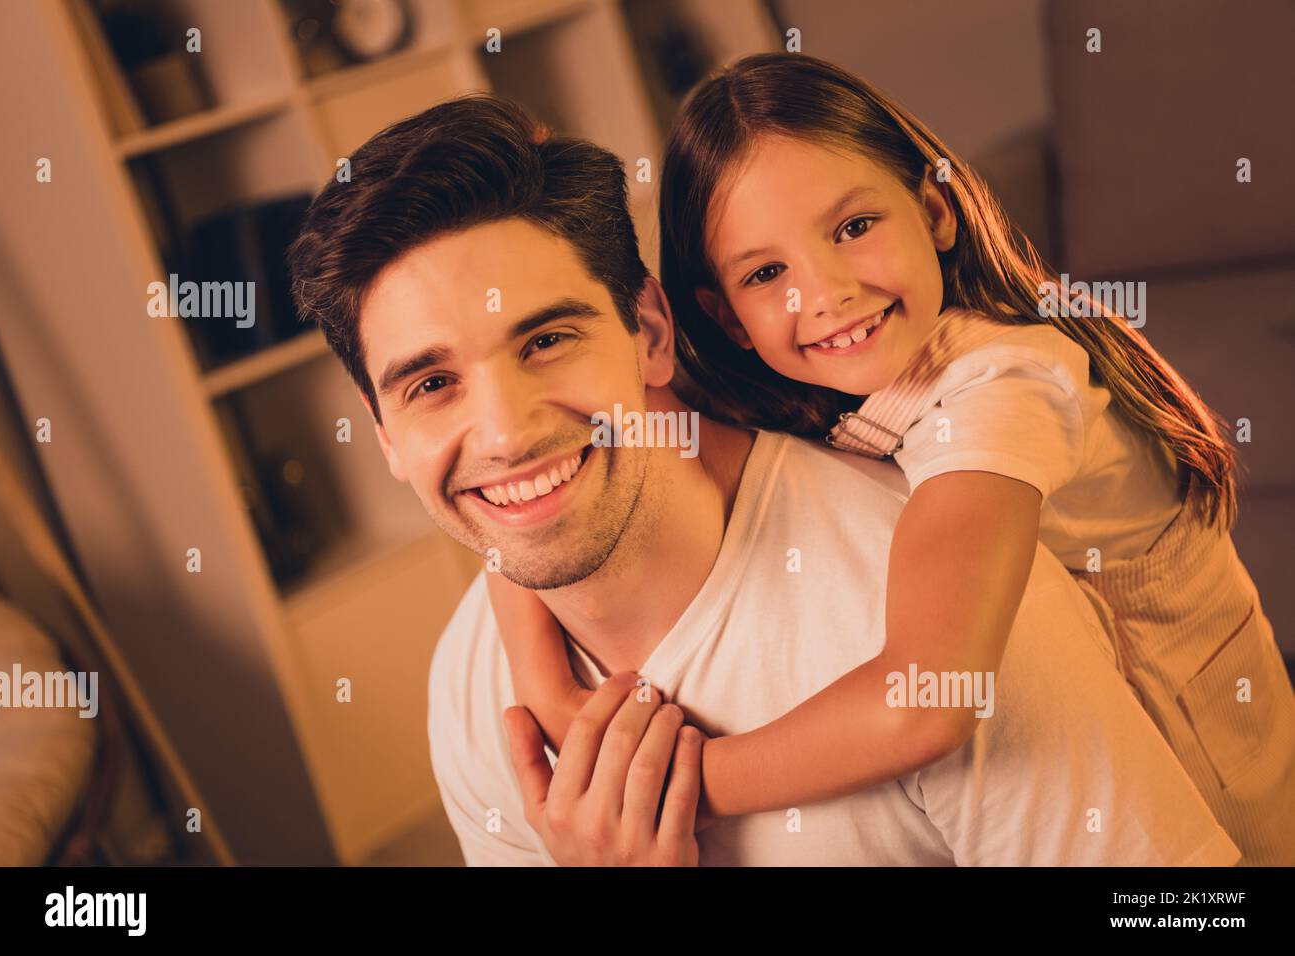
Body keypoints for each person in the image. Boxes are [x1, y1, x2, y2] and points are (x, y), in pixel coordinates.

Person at [288, 92, 1241, 866]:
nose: (503, 431)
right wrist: (561, 708)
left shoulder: (961, 547)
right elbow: (526, 520)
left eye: (546, 339)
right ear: (380, 431)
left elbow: (929, 702)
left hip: (1211, 742)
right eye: (432, 383)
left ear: (649, 334)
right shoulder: (476, 683)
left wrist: (671, 782)